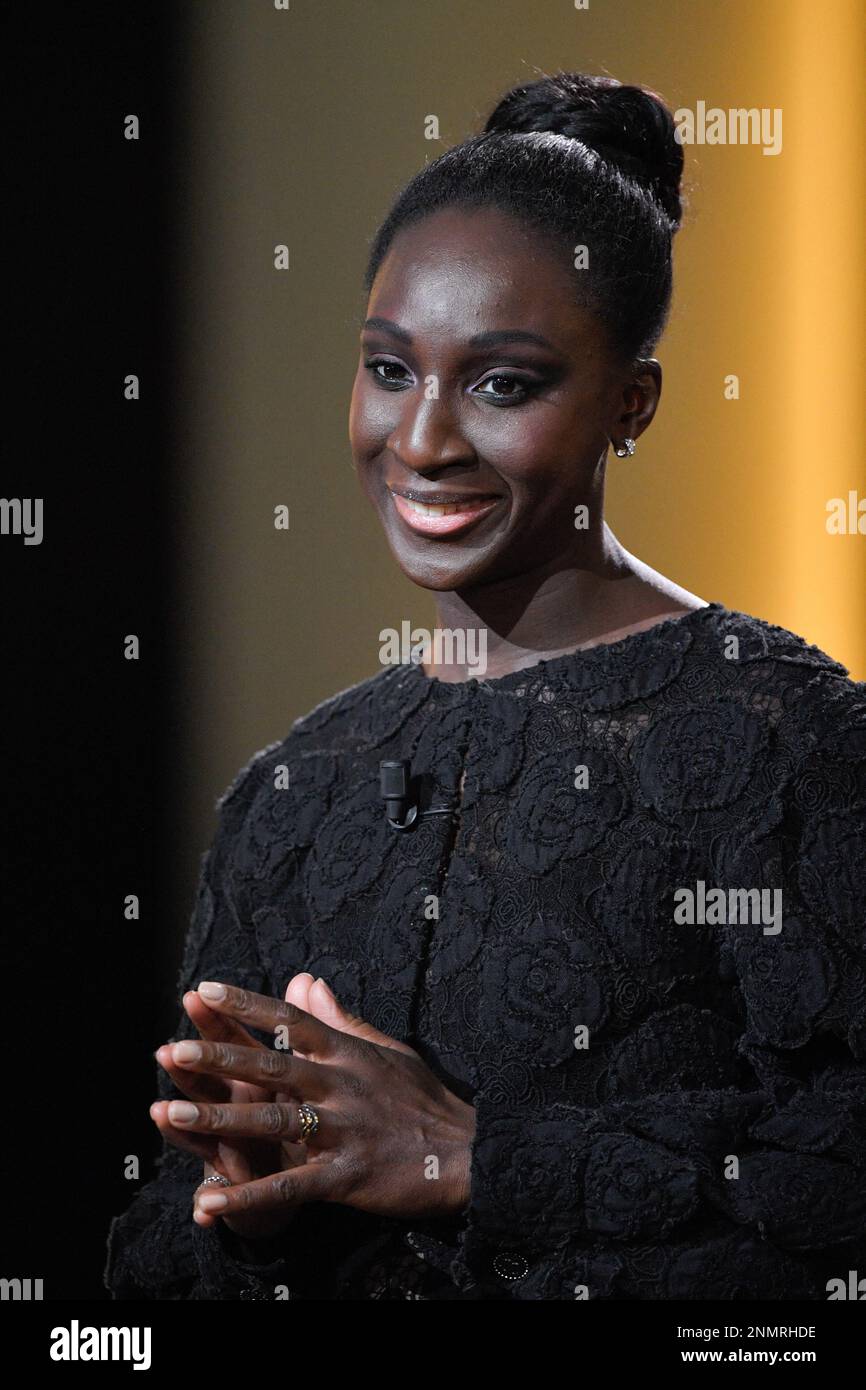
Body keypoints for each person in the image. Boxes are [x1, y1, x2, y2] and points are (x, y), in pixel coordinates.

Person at [104, 72, 866, 1301]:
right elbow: (145, 1253)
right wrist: (243, 1209)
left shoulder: (790, 744)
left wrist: (473, 1158)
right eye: (390, 370)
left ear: (632, 404)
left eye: (500, 383)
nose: (420, 441)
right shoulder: (294, 789)